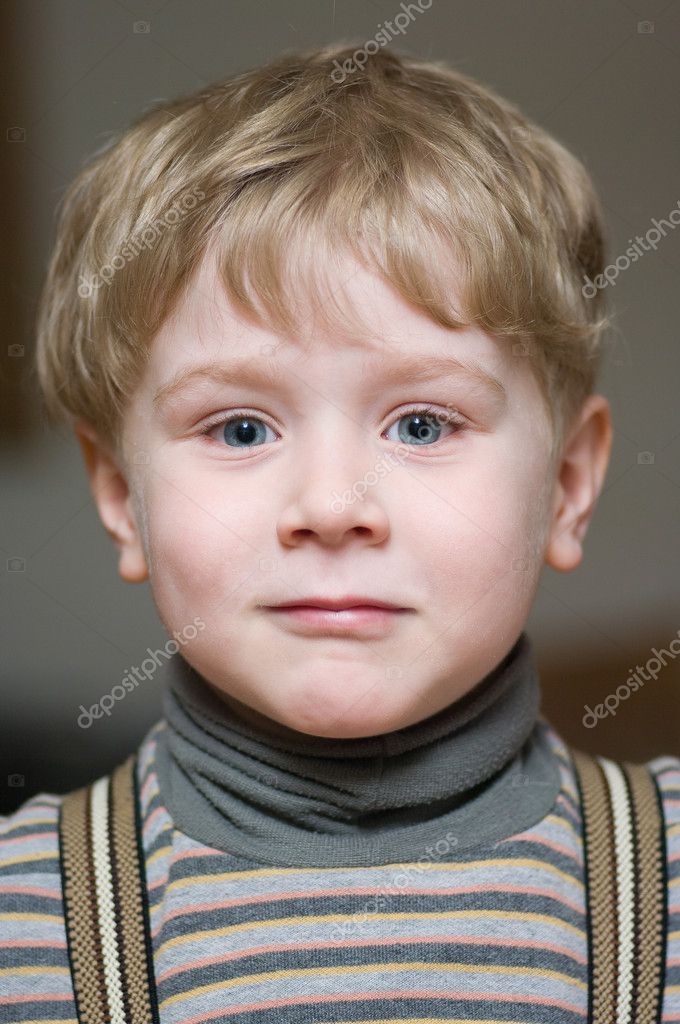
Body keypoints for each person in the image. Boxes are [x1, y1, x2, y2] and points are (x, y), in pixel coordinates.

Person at [3, 41, 679, 1021]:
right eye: (239, 427)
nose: (328, 505)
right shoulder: (25, 923)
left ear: (567, 484)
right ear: (120, 495)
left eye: (420, 423)